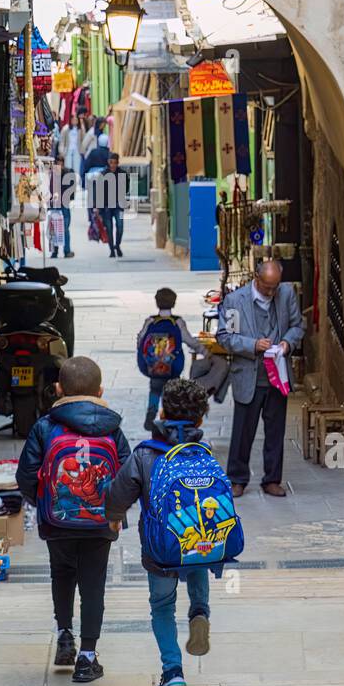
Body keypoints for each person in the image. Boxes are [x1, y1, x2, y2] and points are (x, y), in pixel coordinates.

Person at [16, 356, 130, 684]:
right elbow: (127, 475)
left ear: (57, 389)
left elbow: (26, 475)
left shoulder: (45, 426)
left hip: (58, 521)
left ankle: (65, 636)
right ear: (100, 391)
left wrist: (43, 503)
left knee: (62, 573)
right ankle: (87, 657)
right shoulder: (113, 428)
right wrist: (115, 512)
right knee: (93, 583)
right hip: (101, 523)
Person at [105, 379, 214, 686]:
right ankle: (199, 612)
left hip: (160, 549)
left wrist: (114, 517)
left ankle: (172, 671)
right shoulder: (203, 451)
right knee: (198, 561)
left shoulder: (145, 454)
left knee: (163, 606)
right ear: (200, 420)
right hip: (198, 542)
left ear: (162, 413)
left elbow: (119, 493)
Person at [217, 258, 305, 498]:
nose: (271, 292)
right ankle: (237, 479)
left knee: (276, 431)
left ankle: (272, 479)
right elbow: (225, 337)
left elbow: (297, 326)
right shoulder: (235, 301)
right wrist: (253, 345)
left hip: (278, 376)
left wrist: (287, 343)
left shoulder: (286, 294)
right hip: (249, 377)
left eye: (275, 287)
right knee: (242, 431)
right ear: (257, 278)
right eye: (267, 287)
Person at [137, 287, 206, 430]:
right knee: (172, 392)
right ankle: (169, 416)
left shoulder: (150, 321)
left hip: (154, 367)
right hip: (173, 367)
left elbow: (140, 341)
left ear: (156, 302)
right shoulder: (178, 322)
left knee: (154, 390)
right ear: (174, 303)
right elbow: (189, 341)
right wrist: (205, 351)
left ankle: (151, 414)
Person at [48, 149, 76, 259]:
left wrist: (70, 198)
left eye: (61, 162)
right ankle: (55, 251)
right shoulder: (52, 173)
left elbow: (72, 187)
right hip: (55, 205)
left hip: (64, 204)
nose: (59, 165)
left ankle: (66, 251)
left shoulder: (68, 172)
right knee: (54, 228)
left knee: (65, 228)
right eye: (58, 162)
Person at [99, 152, 128, 258]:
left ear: (117, 163)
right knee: (109, 228)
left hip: (119, 205)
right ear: (108, 162)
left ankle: (117, 245)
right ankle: (112, 249)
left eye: (115, 162)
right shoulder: (103, 174)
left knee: (120, 226)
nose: (113, 165)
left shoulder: (123, 174)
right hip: (107, 206)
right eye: (111, 162)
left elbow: (126, 188)